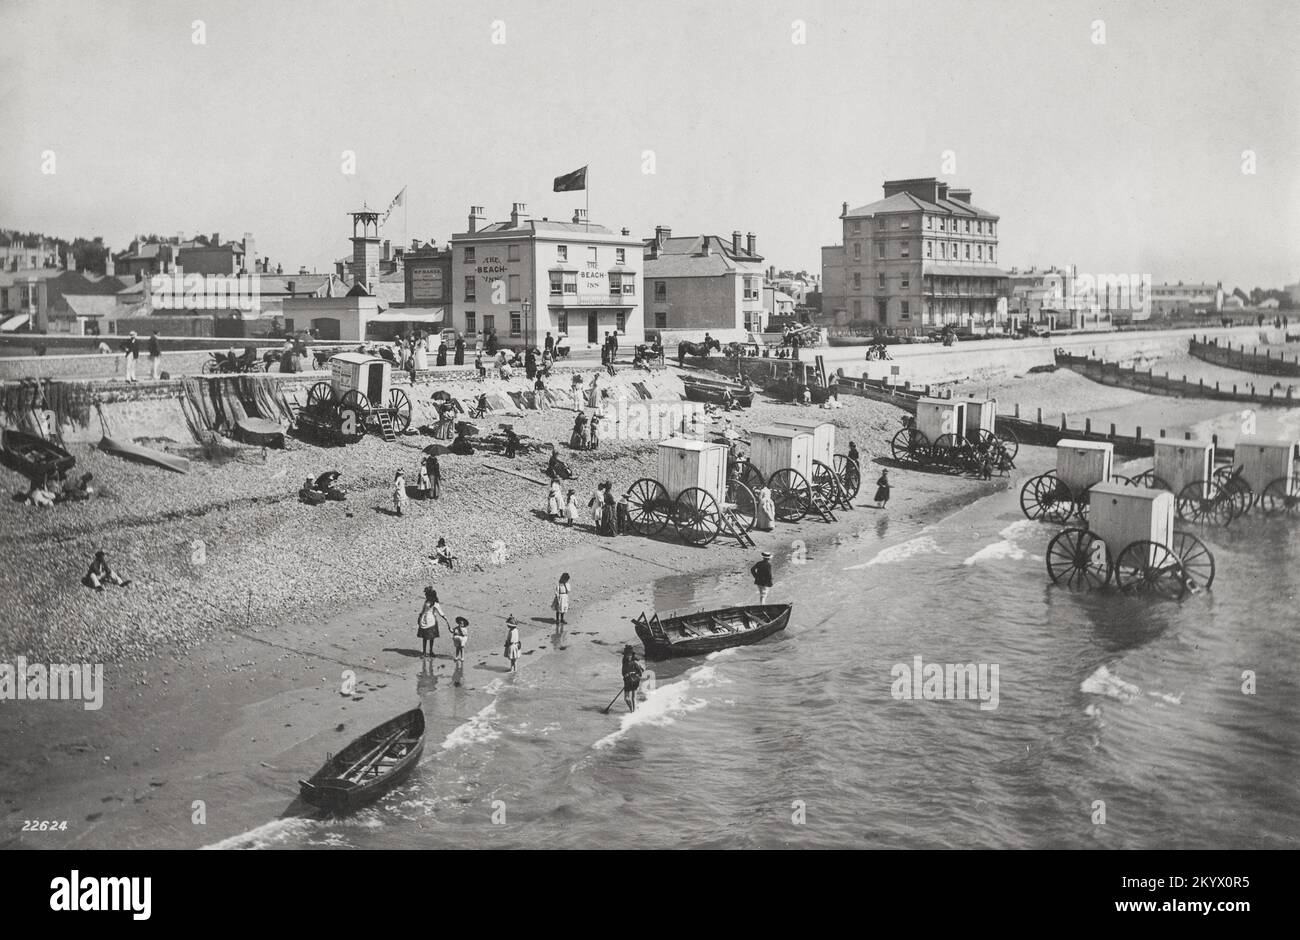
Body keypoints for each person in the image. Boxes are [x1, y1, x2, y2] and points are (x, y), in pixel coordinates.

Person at [417, 586, 447, 657]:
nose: (425, 595)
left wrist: (444, 617)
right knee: (425, 638)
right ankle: (424, 652)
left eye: (426, 594)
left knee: (431, 638)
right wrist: (420, 616)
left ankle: (430, 651)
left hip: (431, 621)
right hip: (425, 620)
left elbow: (440, 611)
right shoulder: (427, 602)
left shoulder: (435, 604)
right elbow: (423, 610)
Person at [621, 645, 644, 713]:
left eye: (630, 655)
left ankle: (633, 711)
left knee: (633, 697)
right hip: (627, 681)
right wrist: (626, 675)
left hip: (634, 680)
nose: (629, 656)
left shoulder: (635, 663)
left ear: (632, 655)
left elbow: (641, 672)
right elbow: (623, 673)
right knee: (626, 698)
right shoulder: (624, 663)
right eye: (627, 655)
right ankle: (631, 708)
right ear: (625, 655)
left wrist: (635, 674)